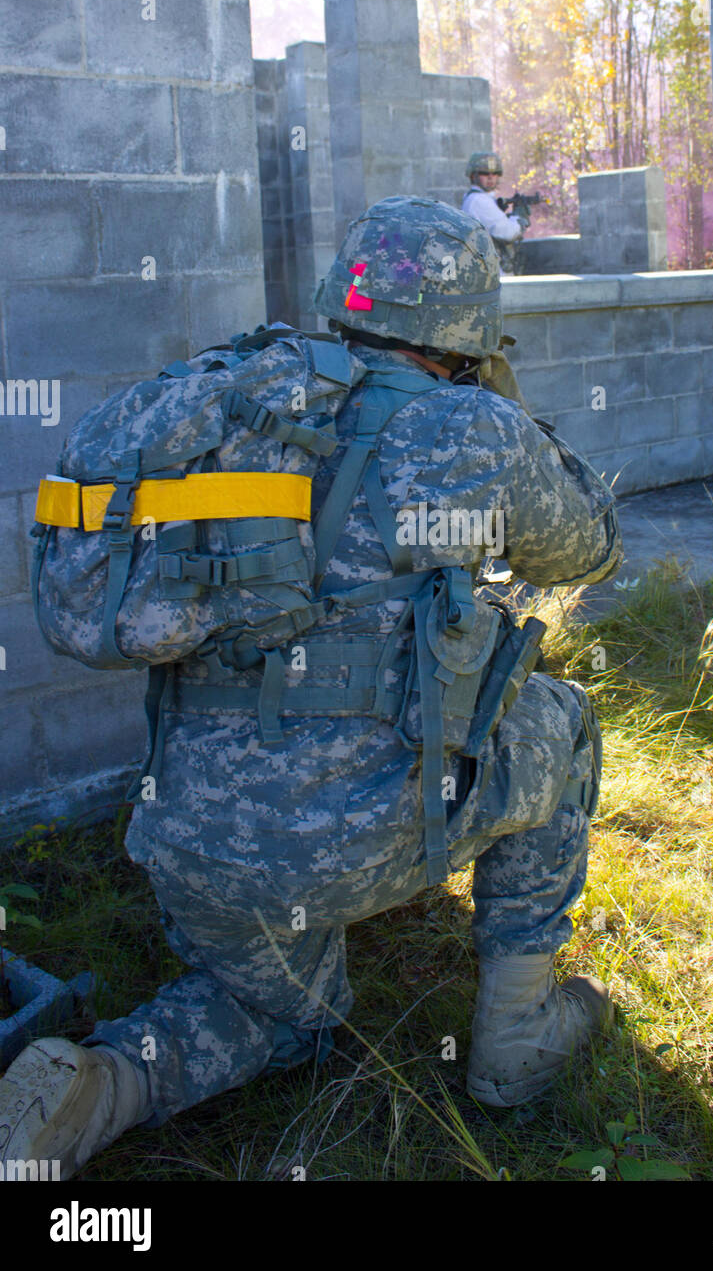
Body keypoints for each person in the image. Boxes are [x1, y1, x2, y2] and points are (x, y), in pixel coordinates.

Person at [0, 196, 622, 1180]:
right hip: (360, 839)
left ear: (346, 296)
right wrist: (509, 415)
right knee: (563, 720)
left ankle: (105, 1081)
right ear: (469, 325)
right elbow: (590, 547)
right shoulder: (473, 428)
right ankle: (517, 1037)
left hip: (199, 843)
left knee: (277, 1014)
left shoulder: (241, 393)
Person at [461, 151, 526, 274]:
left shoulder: (476, 198)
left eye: (495, 173)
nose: (490, 177)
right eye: (484, 173)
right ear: (473, 176)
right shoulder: (479, 200)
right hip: (491, 271)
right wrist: (519, 220)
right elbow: (508, 233)